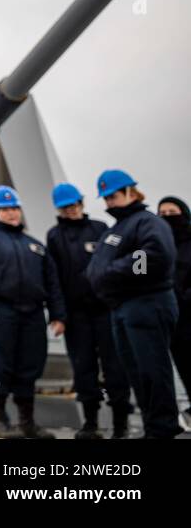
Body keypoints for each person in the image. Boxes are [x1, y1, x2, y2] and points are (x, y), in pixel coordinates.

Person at [0, 185, 66, 438]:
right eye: (4, 209)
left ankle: (27, 422)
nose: (10, 213)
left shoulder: (35, 246)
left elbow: (52, 282)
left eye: (14, 208)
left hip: (32, 314)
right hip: (0, 313)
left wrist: (58, 314)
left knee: (29, 366)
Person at [86, 170, 180, 438]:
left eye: (113, 196)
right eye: (106, 198)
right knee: (136, 372)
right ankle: (152, 426)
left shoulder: (148, 223)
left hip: (148, 304)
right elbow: (97, 267)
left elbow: (153, 255)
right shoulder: (115, 230)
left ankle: (163, 428)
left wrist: (111, 272)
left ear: (131, 192)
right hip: (121, 309)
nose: (109, 203)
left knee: (152, 369)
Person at [45, 182, 132, 438]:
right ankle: (91, 423)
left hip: (106, 311)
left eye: (74, 204)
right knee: (83, 369)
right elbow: (54, 280)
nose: (71, 210)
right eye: (66, 207)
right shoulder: (54, 236)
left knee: (116, 367)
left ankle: (120, 424)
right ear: (59, 209)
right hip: (75, 316)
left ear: (81, 203)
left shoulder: (101, 229)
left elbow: (114, 267)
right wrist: (58, 315)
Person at [157, 195, 191, 430]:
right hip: (167, 316)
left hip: (189, 313)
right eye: (163, 214)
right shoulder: (150, 242)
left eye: (173, 212)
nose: (168, 217)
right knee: (180, 366)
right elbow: (139, 271)